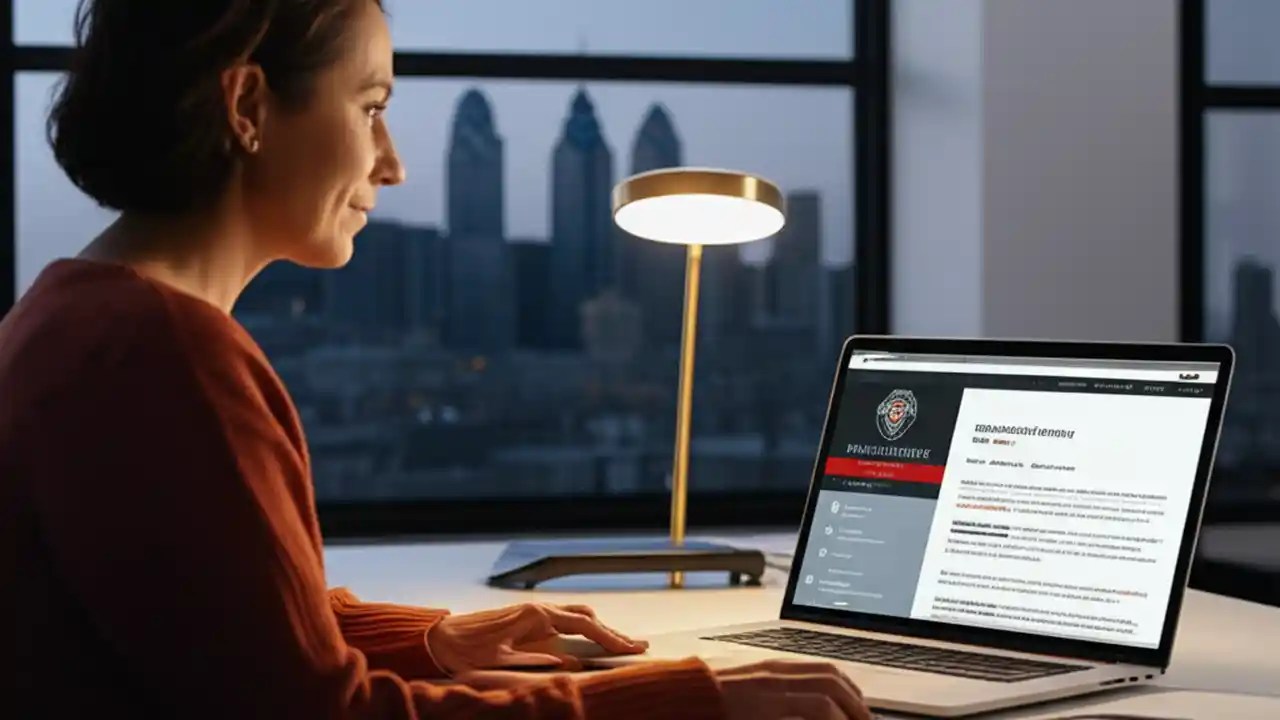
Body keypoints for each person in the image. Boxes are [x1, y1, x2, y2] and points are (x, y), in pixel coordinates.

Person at [0, 1, 871, 718]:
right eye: (371, 107)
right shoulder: (165, 355)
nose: (394, 165)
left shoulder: (71, 314)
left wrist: (432, 639)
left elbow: (231, 626)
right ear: (248, 106)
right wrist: (686, 699)